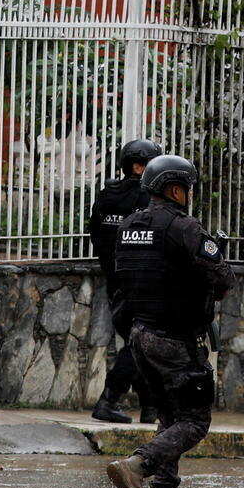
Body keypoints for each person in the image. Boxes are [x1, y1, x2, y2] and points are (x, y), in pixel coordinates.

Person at [105, 154, 234, 488]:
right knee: (194, 421)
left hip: (140, 335)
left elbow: (126, 280)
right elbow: (223, 281)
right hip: (177, 339)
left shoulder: (128, 226)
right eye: (188, 187)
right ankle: (136, 466)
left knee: (169, 418)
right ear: (175, 188)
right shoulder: (184, 227)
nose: (190, 194)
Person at [86, 139, 164, 424]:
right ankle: (108, 400)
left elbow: (95, 236)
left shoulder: (107, 195)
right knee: (140, 345)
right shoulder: (148, 199)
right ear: (141, 166)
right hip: (141, 286)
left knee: (137, 343)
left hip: (114, 282)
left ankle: (150, 407)